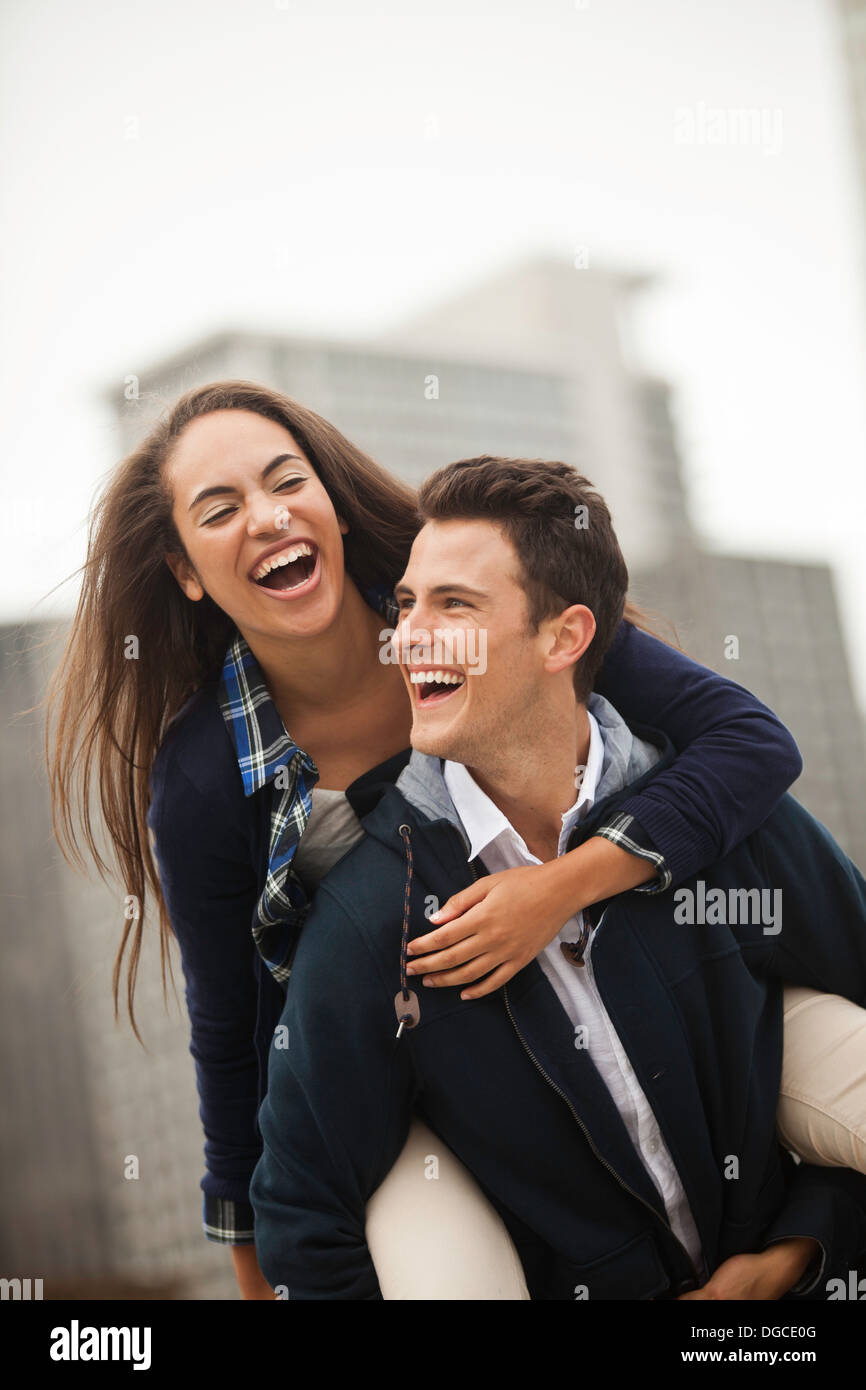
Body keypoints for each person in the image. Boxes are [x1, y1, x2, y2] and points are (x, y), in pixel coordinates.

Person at [42, 382, 846, 1299]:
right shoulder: (202, 778)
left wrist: (559, 889)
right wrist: (250, 1261)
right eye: (219, 511)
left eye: (285, 482)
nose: (265, 518)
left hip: (624, 976)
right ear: (187, 570)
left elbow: (751, 743)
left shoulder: (488, 601)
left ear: (333, 508)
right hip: (417, 1054)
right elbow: (231, 1029)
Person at [249, 455, 866, 1300]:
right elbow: (301, 1219)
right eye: (406, 604)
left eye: (454, 605)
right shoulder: (372, 922)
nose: (409, 635)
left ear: (565, 638)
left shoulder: (734, 830)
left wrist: (801, 1249)